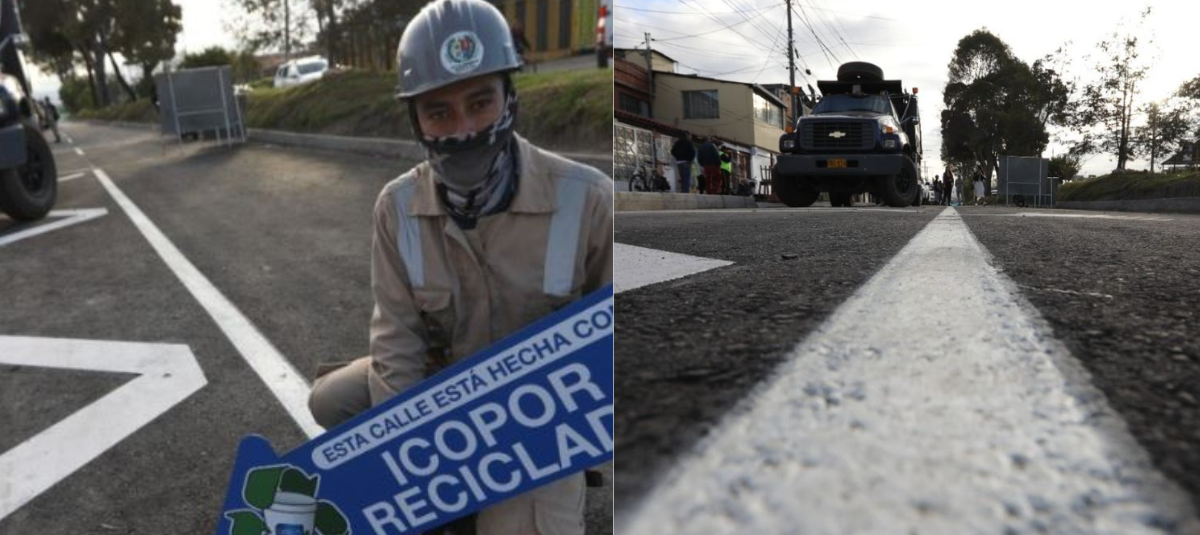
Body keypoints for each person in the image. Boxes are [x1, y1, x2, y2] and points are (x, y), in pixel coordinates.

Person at [306, 1, 613, 534]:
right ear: (415, 120)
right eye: (439, 112)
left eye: (480, 102)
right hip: (447, 388)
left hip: (541, 415)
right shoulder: (396, 207)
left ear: (509, 97)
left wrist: (573, 438)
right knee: (331, 400)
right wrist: (408, 467)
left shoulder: (587, 201)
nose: (465, 129)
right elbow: (396, 342)